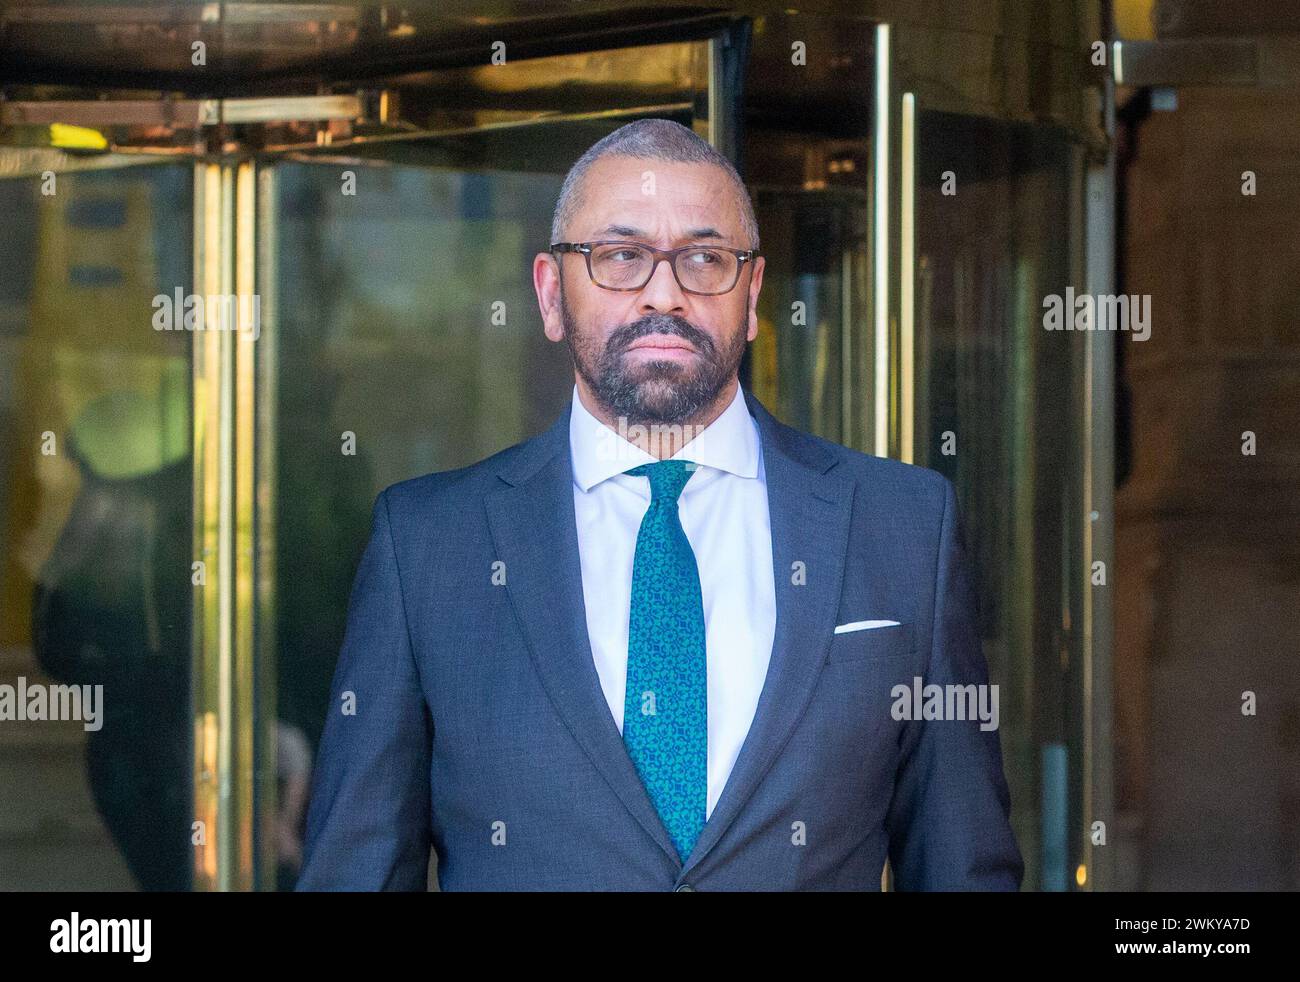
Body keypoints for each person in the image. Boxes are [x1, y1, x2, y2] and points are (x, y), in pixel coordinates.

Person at [297, 118, 1023, 891]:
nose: (664, 294)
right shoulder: (427, 549)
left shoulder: (905, 526)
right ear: (550, 294)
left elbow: (962, 865)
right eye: (620, 256)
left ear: (752, 296)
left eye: (706, 259)